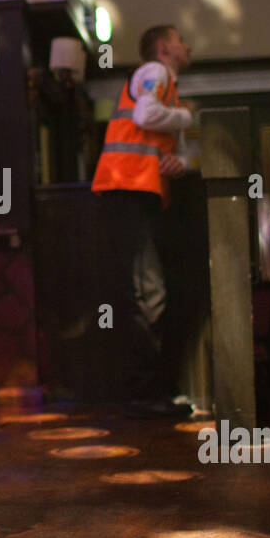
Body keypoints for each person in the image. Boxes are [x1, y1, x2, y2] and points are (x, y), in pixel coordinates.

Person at [90, 24, 197, 417]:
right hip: (128, 192)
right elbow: (147, 114)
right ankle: (145, 397)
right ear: (165, 47)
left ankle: (153, 393)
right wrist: (185, 116)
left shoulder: (167, 83)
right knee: (147, 294)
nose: (188, 46)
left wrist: (179, 162)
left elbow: (179, 150)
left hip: (142, 194)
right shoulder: (155, 72)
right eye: (181, 40)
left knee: (150, 294)